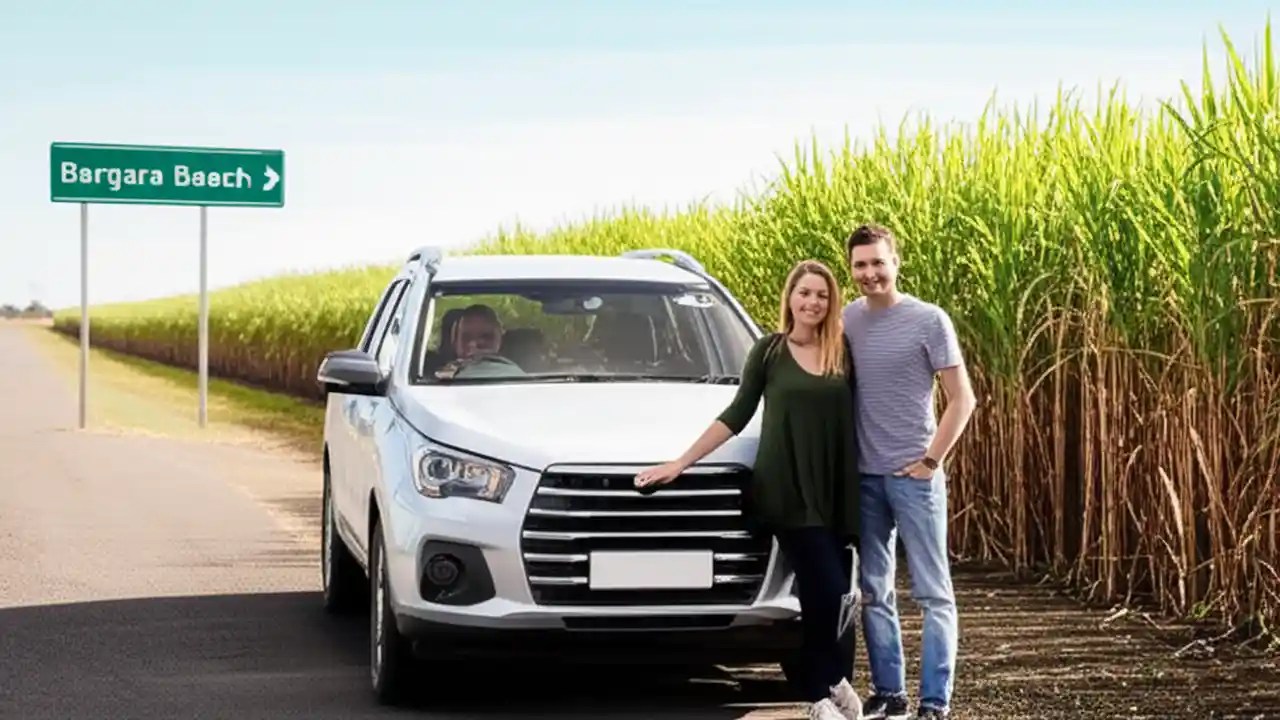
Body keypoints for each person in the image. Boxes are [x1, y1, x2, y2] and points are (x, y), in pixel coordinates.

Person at [635, 259, 864, 720]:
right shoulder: (770, 352)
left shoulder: (843, 351)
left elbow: (867, 412)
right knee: (827, 584)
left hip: (834, 489)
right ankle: (821, 689)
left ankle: (830, 682)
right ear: (790, 298)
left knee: (833, 592)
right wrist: (680, 462)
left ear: (831, 301)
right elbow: (737, 413)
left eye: (822, 294)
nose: (813, 302)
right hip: (788, 488)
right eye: (804, 292)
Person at [841, 224, 977, 720]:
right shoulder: (847, 320)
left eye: (878, 262)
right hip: (865, 479)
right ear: (851, 269)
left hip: (916, 479)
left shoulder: (928, 320)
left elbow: (963, 399)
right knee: (875, 591)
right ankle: (889, 695)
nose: (870, 273)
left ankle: (934, 702)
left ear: (895, 263)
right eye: (860, 265)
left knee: (933, 592)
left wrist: (930, 461)